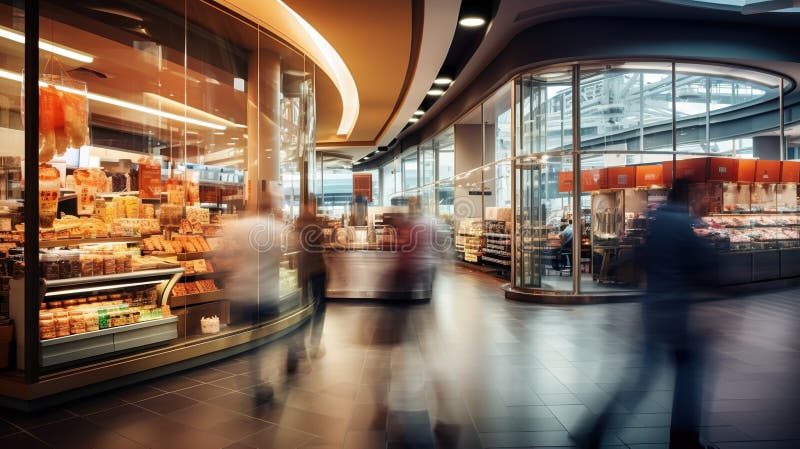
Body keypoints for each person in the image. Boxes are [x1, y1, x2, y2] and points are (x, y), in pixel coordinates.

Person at [575, 178, 717, 449]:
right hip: (674, 313)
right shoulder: (681, 225)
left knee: (640, 376)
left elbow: (643, 257)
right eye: (701, 195)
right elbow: (706, 263)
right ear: (689, 198)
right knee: (688, 371)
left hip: (655, 307)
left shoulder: (658, 221)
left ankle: (594, 431)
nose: (705, 200)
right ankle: (684, 438)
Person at [217, 194, 284, 403]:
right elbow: (282, 255)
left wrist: (228, 270)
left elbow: (221, 254)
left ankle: (257, 378)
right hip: (266, 292)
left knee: (253, 338)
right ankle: (262, 380)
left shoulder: (241, 226)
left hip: (244, 291)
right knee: (264, 337)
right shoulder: (276, 228)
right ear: (271, 207)